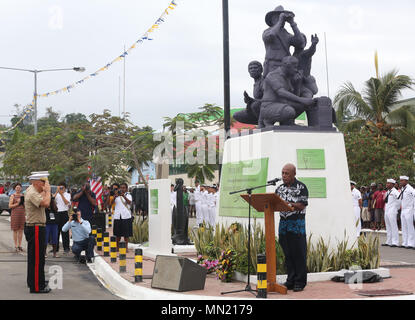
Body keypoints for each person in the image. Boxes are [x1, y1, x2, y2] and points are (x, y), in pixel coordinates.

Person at [275, 163, 309, 292]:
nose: (284, 176)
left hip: (296, 226)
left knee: (298, 254)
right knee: (288, 254)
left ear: (294, 174)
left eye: (286, 173)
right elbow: (274, 203)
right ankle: (290, 280)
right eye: (283, 173)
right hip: (283, 226)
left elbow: (302, 205)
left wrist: (288, 204)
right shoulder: (279, 189)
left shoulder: (301, 187)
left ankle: (300, 281)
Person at [24, 172, 52, 294]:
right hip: (35, 227)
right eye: (44, 182)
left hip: (37, 227)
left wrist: (45, 191)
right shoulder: (32, 193)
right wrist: (48, 191)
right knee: (36, 259)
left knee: (37, 258)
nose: (45, 184)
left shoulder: (33, 190)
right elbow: (46, 203)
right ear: (36, 182)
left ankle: (36, 281)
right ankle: (36, 286)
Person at [262, 6, 305, 76]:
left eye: (281, 17)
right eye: (277, 17)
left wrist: (292, 23)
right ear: (272, 19)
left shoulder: (286, 34)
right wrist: (280, 21)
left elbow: (300, 43)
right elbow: (270, 36)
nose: (281, 19)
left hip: (285, 67)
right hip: (272, 66)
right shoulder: (267, 31)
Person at [112, 183, 133, 252]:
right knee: (117, 234)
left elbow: (129, 202)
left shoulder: (128, 195)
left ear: (126, 189)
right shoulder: (116, 196)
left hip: (126, 216)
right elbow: (110, 205)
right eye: (121, 187)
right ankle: (117, 247)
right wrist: (114, 196)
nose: (122, 189)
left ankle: (126, 247)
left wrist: (123, 196)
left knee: (126, 234)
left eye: (124, 188)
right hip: (117, 216)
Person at [382, 179, 401, 247]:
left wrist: (396, 208)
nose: (387, 184)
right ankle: (389, 241)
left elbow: (399, 200)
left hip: (392, 210)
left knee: (393, 226)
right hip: (387, 210)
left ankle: (395, 242)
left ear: (392, 184)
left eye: (389, 183)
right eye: (387, 183)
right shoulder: (387, 192)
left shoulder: (395, 192)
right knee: (388, 226)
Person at [54, 182, 71, 253]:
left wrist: (61, 194)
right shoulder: (56, 195)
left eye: (62, 188)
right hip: (57, 213)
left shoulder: (67, 194)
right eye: (60, 187)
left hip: (64, 213)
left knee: (65, 231)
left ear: (65, 188)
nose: (61, 189)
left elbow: (67, 203)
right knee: (56, 231)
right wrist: (56, 192)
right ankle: (55, 248)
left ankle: (66, 247)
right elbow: (51, 200)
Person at [398, 176, 415, 249]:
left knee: (410, 226)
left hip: (409, 209)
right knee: (404, 226)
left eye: (402, 181)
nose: (401, 182)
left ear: (406, 181)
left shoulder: (410, 189)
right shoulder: (402, 188)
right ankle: (405, 242)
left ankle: (411, 243)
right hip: (403, 209)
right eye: (400, 180)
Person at [9, 183, 25, 253]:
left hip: (22, 214)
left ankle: (19, 245)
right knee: (15, 230)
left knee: (21, 230)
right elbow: (10, 206)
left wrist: (23, 203)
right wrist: (17, 203)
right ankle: (16, 245)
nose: (18, 189)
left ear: (21, 188)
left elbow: (26, 206)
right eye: (17, 187)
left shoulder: (23, 196)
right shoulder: (12, 196)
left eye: (19, 187)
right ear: (15, 188)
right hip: (15, 214)